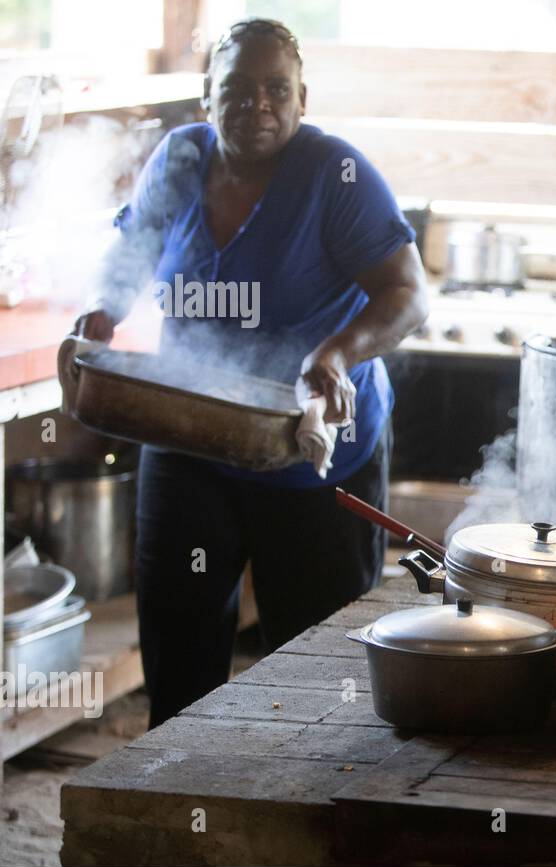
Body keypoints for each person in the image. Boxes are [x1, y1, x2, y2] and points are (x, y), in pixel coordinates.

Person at [72, 18, 428, 727]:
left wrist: (335, 353)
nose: (257, 104)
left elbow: (408, 293)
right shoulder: (180, 158)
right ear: (207, 96)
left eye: (276, 89)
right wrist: (99, 313)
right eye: (237, 88)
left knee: (317, 666)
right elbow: (130, 252)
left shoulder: (335, 174)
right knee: (179, 648)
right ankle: (183, 804)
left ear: (301, 99)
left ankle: (316, 813)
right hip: (191, 432)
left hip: (310, 450)